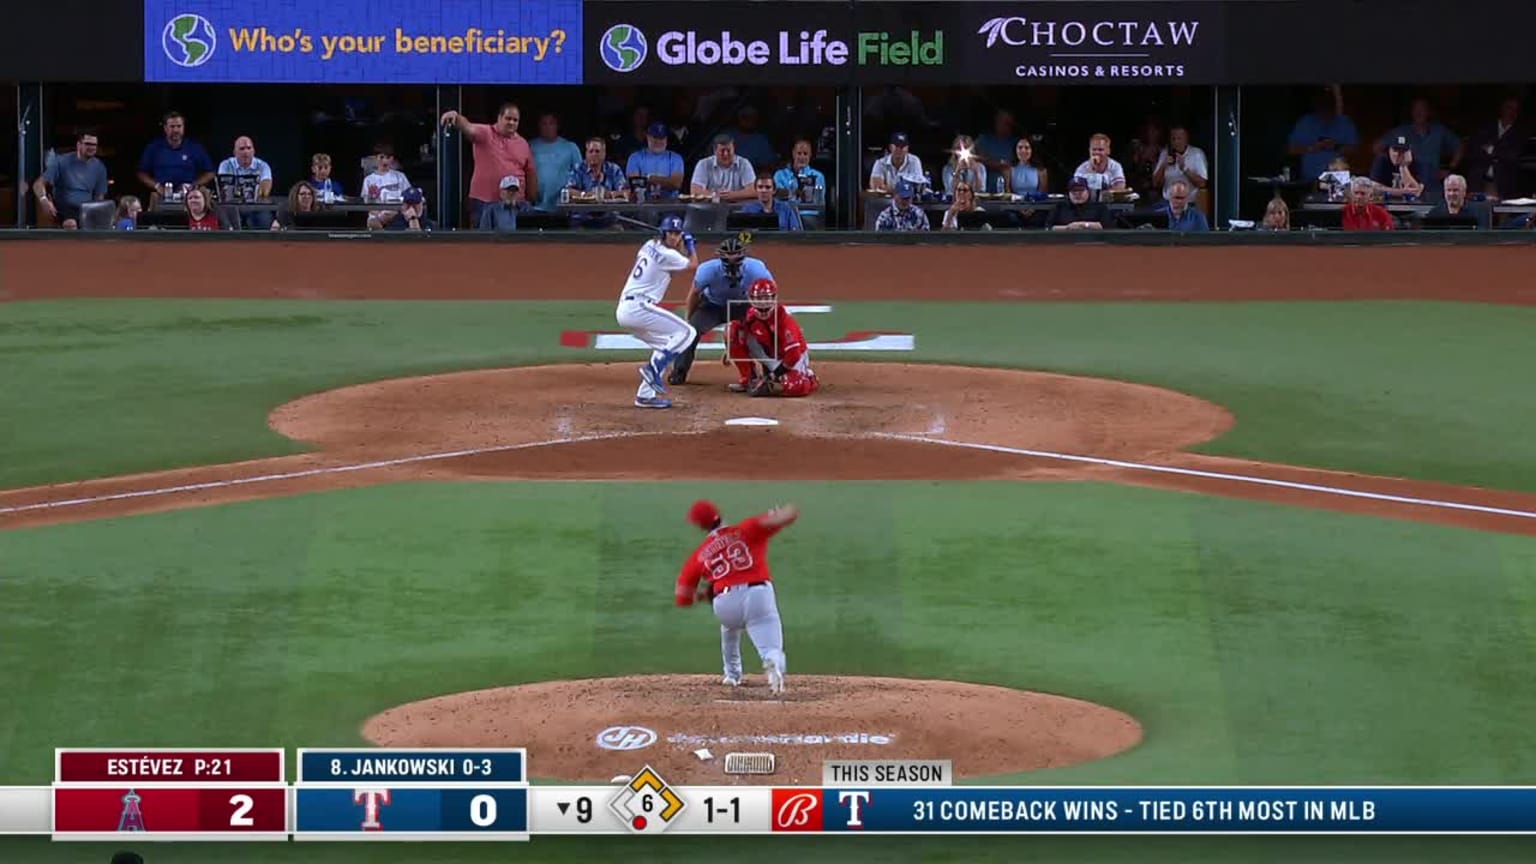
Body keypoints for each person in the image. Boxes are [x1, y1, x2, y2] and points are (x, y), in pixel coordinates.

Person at [674, 498, 799, 693]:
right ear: (719, 515)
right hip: (758, 595)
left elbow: (682, 597)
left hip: (725, 603)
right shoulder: (747, 528)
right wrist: (780, 513)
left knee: (729, 628)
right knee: (769, 642)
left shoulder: (699, 555)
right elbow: (788, 516)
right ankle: (772, 661)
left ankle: (732, 676)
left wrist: (703, 596)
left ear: (700, 526)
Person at [617, 215, 699, 409]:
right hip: (639, 308)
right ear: (664, 233)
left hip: (625, 309)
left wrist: (680, 242)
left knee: (665, 344)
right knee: (688, 333)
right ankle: (654, 370)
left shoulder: (648, 245)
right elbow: (693, 265)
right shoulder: (669, 256)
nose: (674, 237)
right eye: (671, 233)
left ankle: (645, 395)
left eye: (677, 233)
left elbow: (667, 256)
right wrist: (690, 245)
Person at [668, 236, 773, 386]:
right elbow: (694, 295)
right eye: (728, 257)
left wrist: (764, 319)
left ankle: (769, 372)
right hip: (713, 306)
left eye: (736, 256)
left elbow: (769, 294)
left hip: (745, 305)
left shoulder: (757, 269)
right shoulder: (707, 270)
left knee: (764, 332)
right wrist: (689, 321)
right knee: (691, 332)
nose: (732, 260)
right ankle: (679, 371)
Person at [440, 103, 537, 225]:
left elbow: (530, 172)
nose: (511, 123)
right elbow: (469, 128)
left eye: (515, 120)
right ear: (499, 118)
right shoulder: (486, 133)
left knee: (517, 243)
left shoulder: (523, 143)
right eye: (508, 118)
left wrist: (531, 200)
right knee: (482, 242)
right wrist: (456, 117)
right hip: (484, 202)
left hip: (514, 204)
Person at [726, 278, 818, 397]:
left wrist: (773, 376)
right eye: (759, 298)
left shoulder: (784, 320)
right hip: (769, 353)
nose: (763, 303)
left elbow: (793, 355)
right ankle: (748, 379)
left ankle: (809, 377)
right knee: (731, 330)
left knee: (794, 387)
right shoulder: (750, 315)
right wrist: (731, 347)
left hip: (790, 358)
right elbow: (738, 330)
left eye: (767, 298)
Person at [33, 129, 108, 229]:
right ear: (78, 145)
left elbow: (99, 196)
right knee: (71, 224)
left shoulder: (99, 167)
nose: (92, 147)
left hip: (87, 209)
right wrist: (44, 200)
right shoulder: (61, 161)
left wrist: (97, 213)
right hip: (64, 208)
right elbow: (38, 184)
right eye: (88, 144)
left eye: (94, 145)